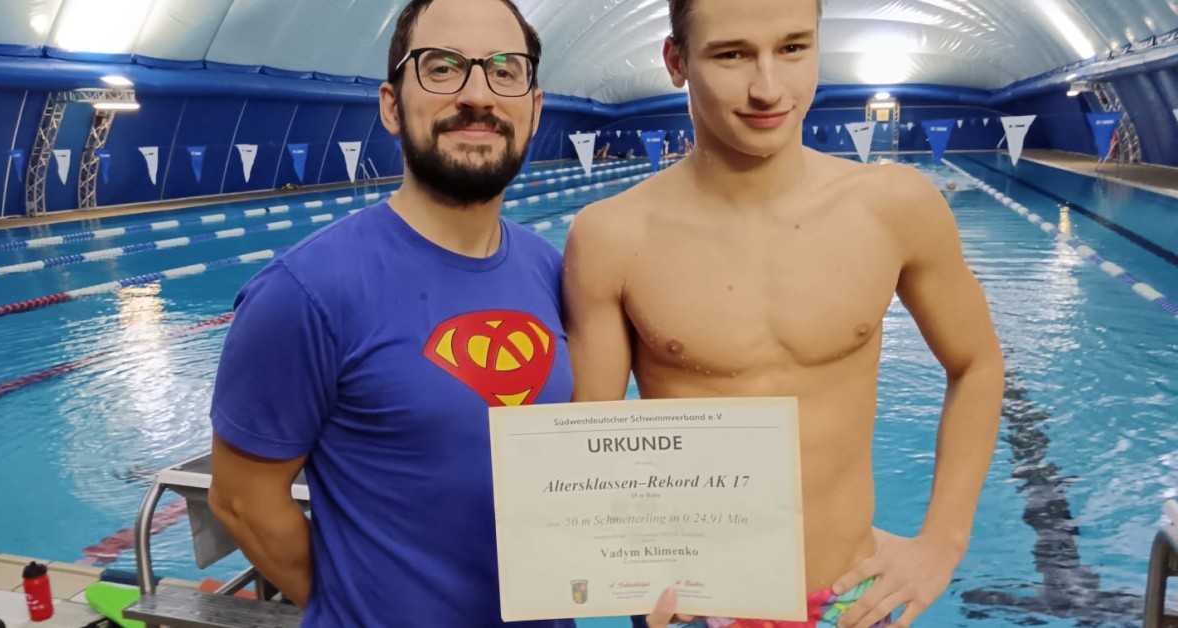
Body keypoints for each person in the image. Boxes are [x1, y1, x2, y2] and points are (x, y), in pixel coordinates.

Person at [562, 0, 1005, 626]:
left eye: (793, 48)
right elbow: (594, 447)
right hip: (693, 603)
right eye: (732, 54)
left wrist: (942, 543)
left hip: (850, 596)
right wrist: (629, 567)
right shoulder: (612, 236)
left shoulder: (893, 207)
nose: (768, 88)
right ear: (676, 61)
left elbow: (978, 363)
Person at [206, 0, 576, 625]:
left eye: (506, 70)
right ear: (390, 106)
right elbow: (242, 500)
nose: (478, 94)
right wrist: (360, 607)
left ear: (533, 108)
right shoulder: (304, 291)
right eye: (441, 67)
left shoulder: (551, 269)